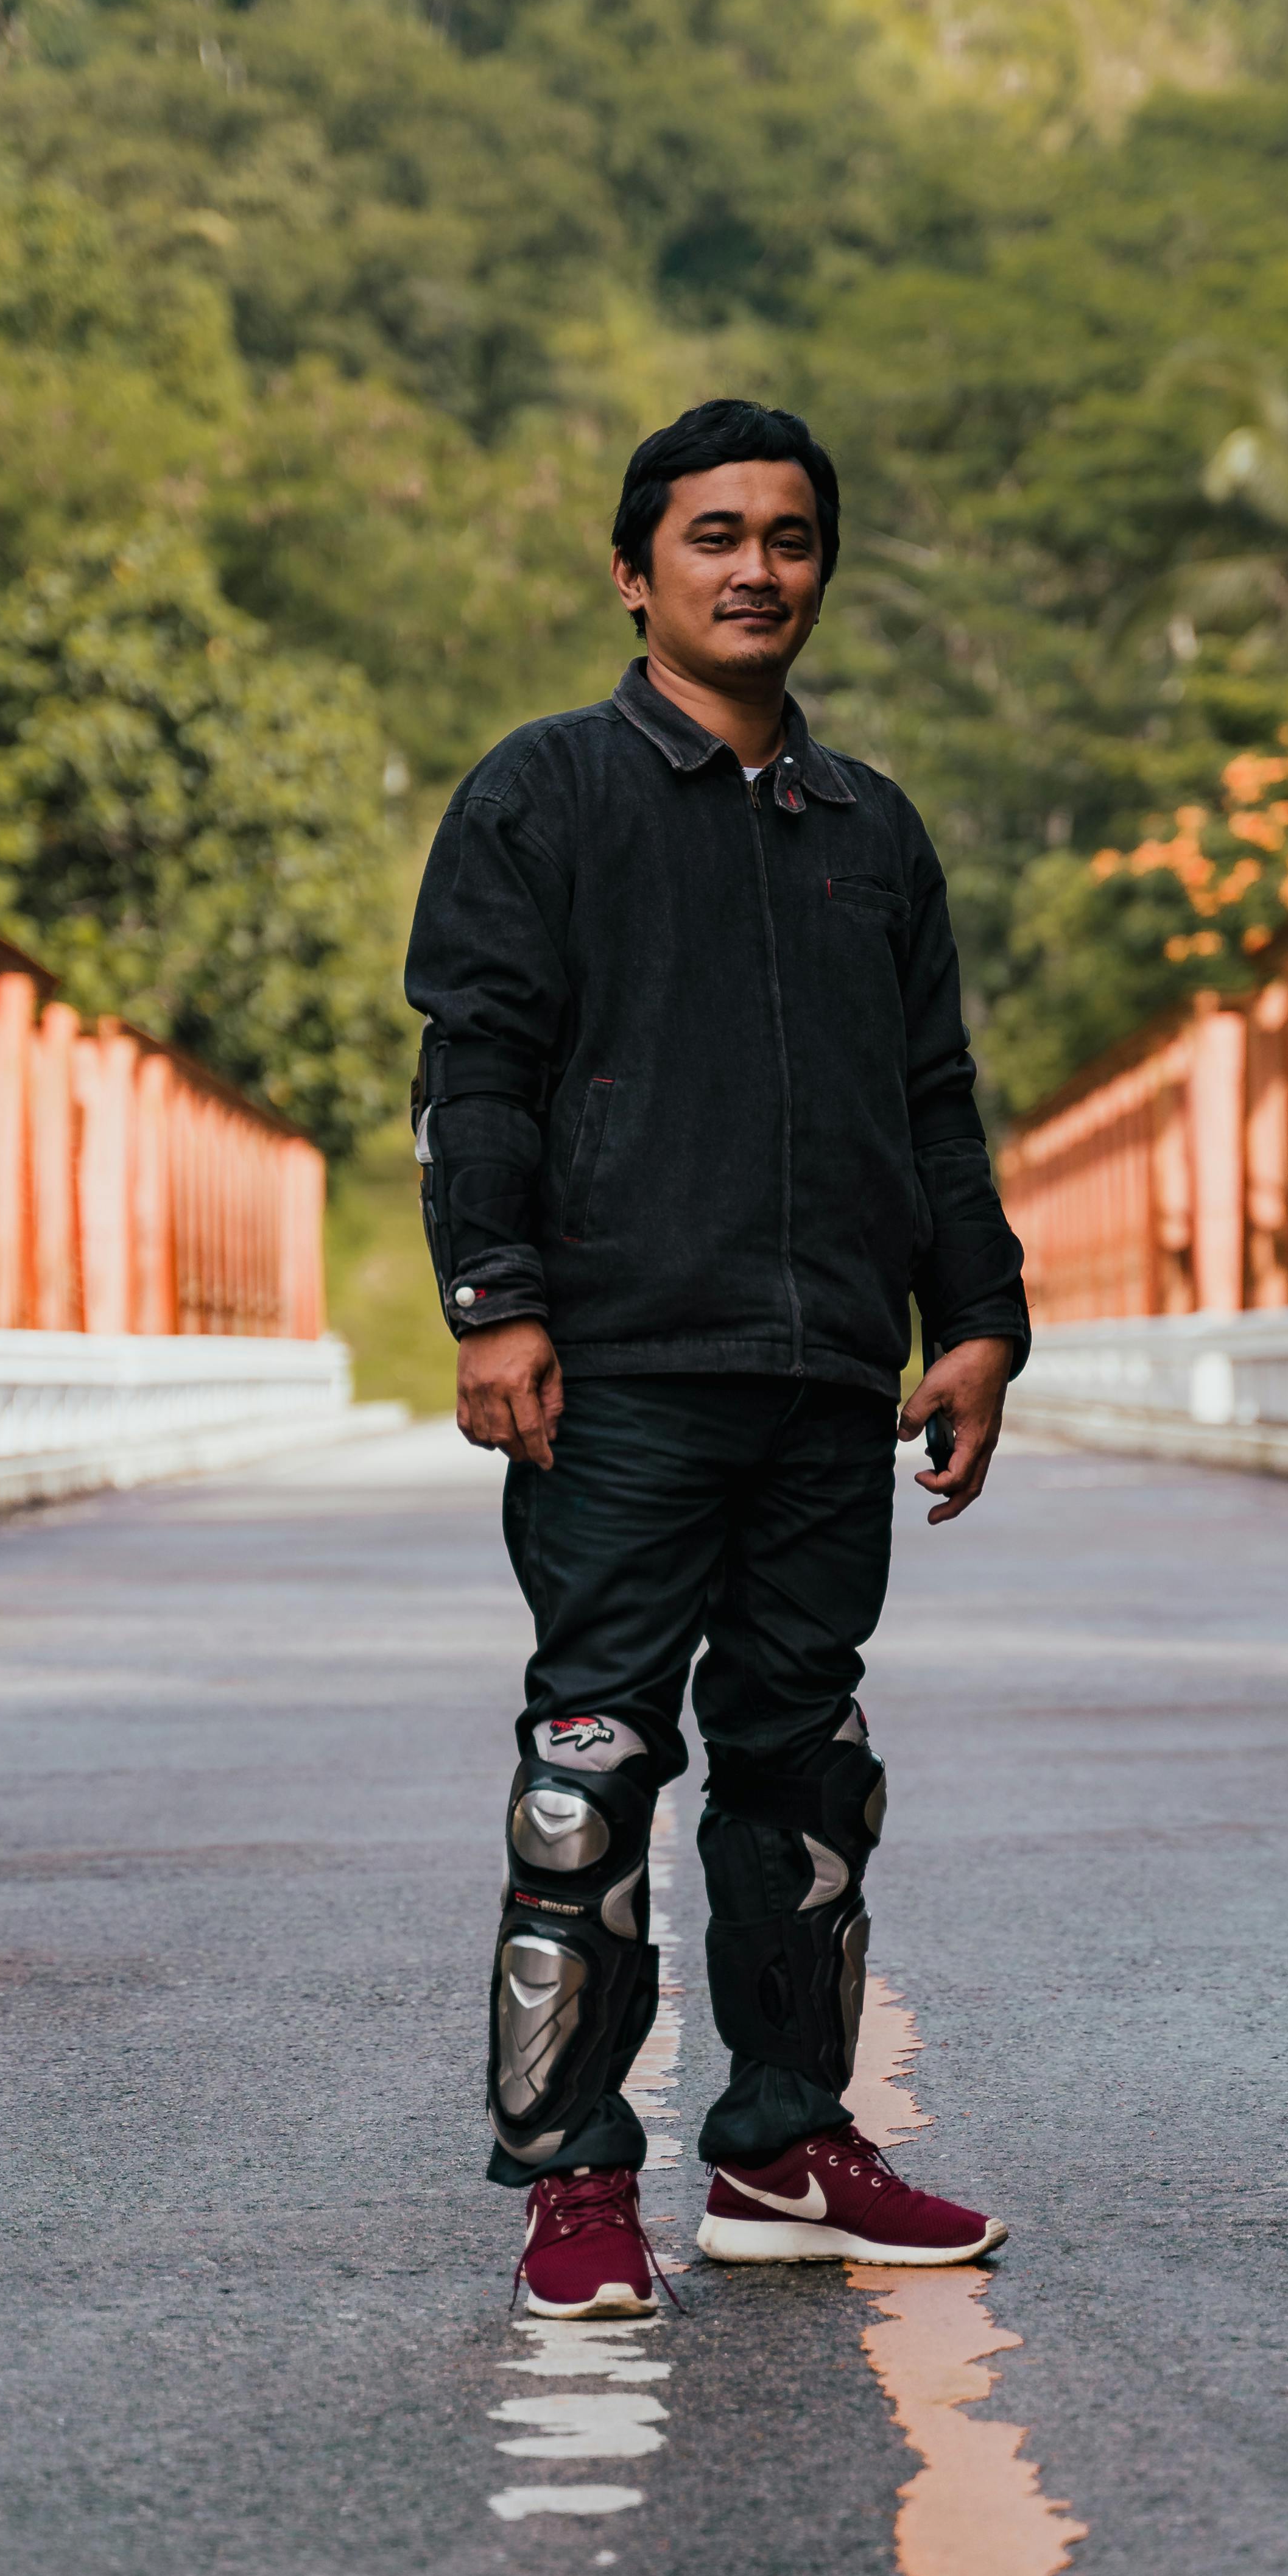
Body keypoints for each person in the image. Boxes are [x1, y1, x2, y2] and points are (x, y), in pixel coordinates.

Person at [404, 397, 1029, 2320]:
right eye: (714, 536)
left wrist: (982, 1310)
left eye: (790, 537)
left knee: (804, 1770)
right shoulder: (546, 794)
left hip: (827, 1380)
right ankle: (575, 2185)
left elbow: (932, 1097)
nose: (757, 567)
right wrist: (493, 1300)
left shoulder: (872, 829)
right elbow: (476, 1063)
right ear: (635, 568)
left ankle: (778, 2146)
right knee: (589, 1768)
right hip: (620, 1376)